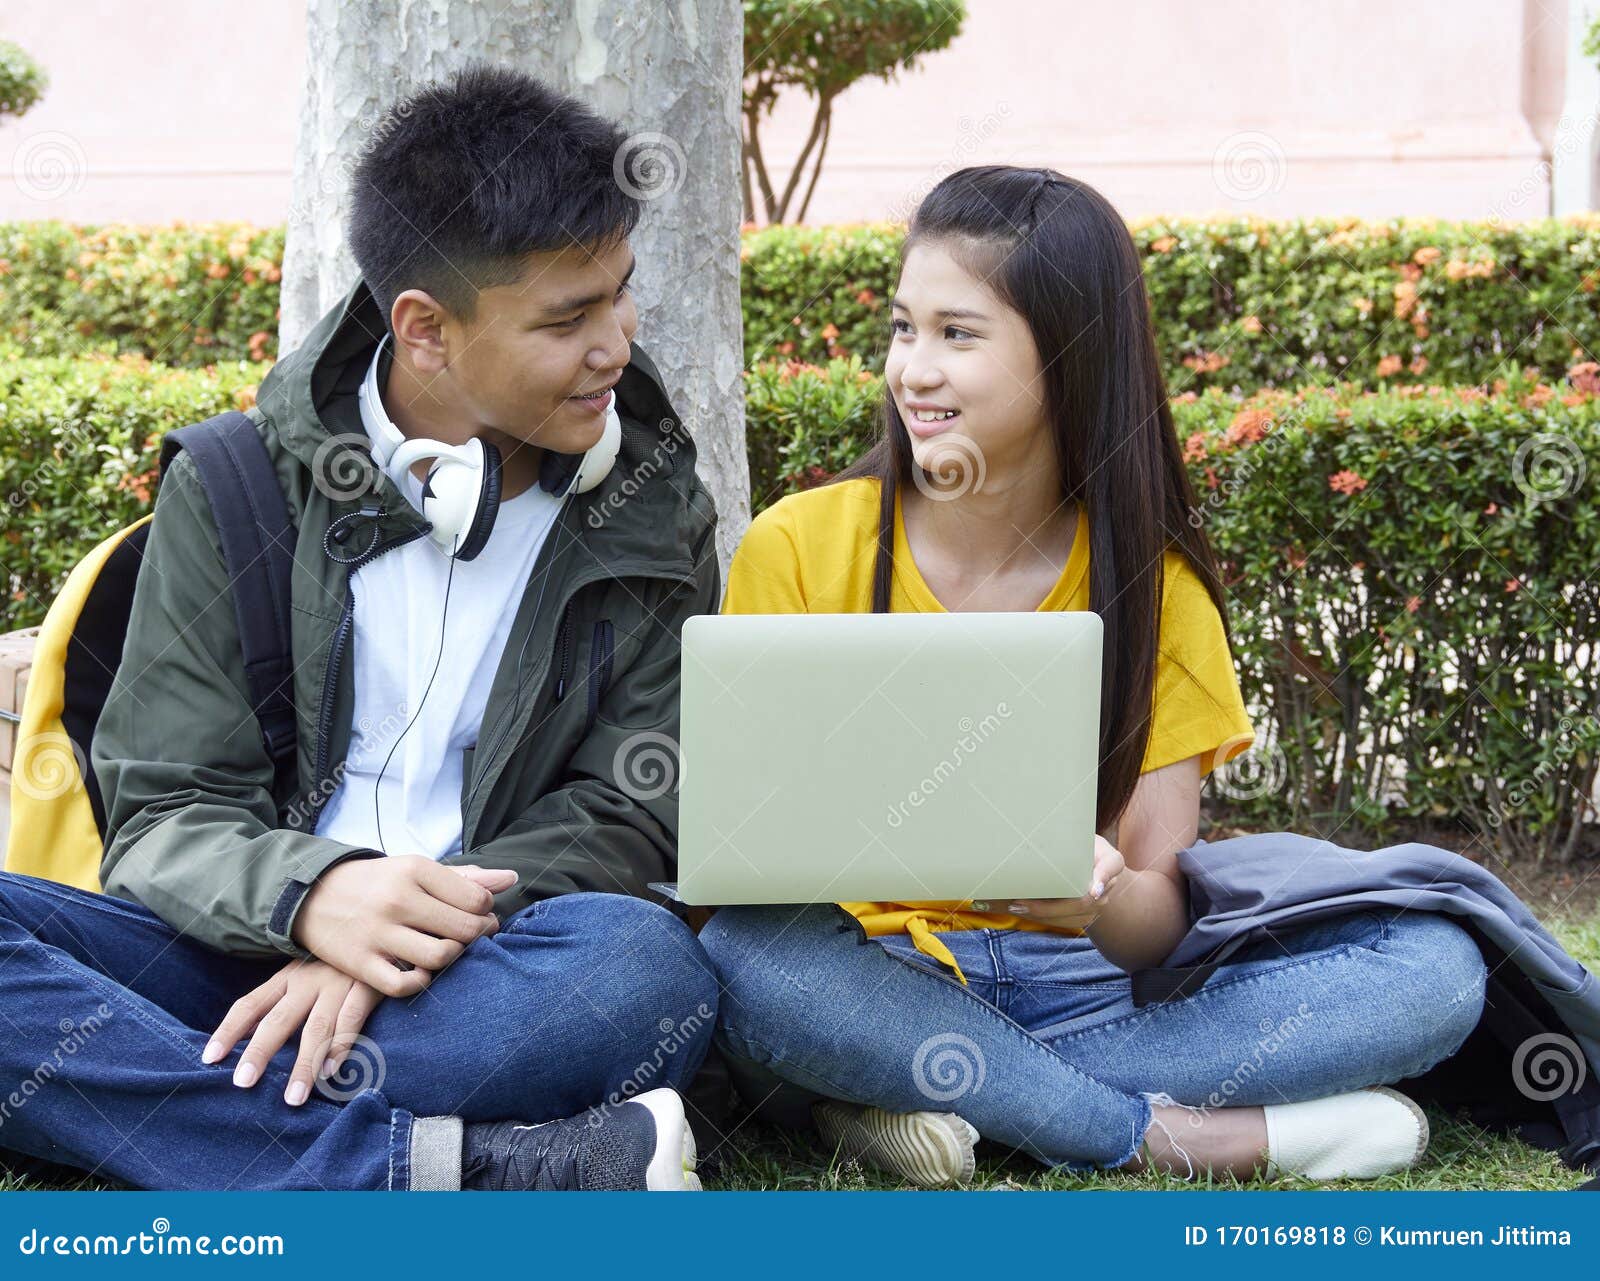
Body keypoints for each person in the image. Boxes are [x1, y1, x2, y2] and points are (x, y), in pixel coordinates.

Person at [0, 65, 721, 1192]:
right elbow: (164, 814)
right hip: (225, 960)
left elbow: (633, 805)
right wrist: (314, 898)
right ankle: (426, 1171)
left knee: (641, 972)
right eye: (568, 318)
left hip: (495, 958)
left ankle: (161, 1115)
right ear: (425, 329)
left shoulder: (653, 507)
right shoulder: (234, 486)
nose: (616, 344)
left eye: (622, 293)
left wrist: (396, 943)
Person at [699, 164, 1488, 1188]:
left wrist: (1085, 903)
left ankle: (925, 1097)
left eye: (958, 334)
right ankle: (1170, 1137)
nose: (912, 370)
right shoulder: (798, 547)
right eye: (904, 328)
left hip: (1073, 987)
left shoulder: (1157, 594)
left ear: (1068, 357)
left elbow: (1157, 910)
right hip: (863, 975)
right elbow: (742, 857)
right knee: (749, 964)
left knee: (1433, 972)